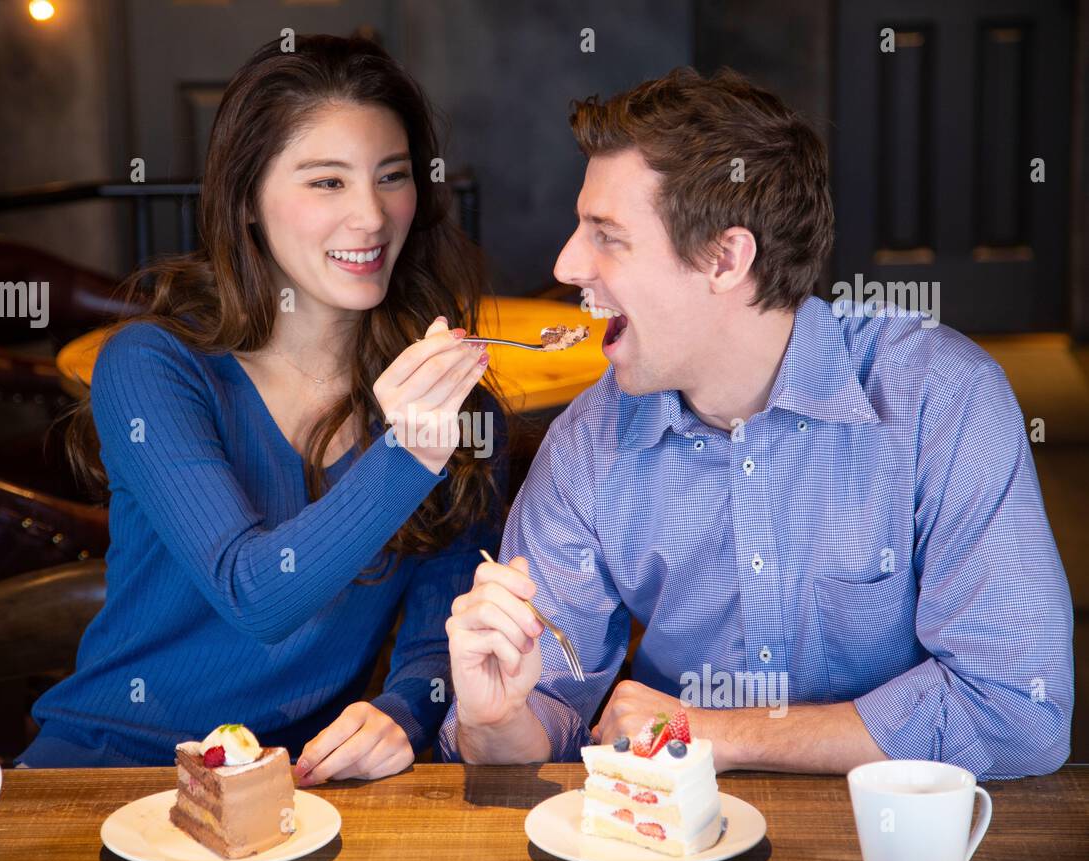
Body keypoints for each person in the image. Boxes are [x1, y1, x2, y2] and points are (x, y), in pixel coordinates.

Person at [439, 67, 1073, 781]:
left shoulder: (941, 400)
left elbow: (1020, 712)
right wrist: (496, 720)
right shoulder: (589, 444)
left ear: (725, 258)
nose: (565, 262)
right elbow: (542, 717)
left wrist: (711, 732)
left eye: (606, 236)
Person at [17, 34, 508, 784]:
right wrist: (407, 454)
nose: (371, 217)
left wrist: (403, 710)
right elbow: (256, 596)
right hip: (105, 770)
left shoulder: (449, 409)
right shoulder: (154, 367)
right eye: (327, 183)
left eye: (393, 176)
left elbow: (443, 631)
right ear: (247, 199)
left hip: (293, 786)